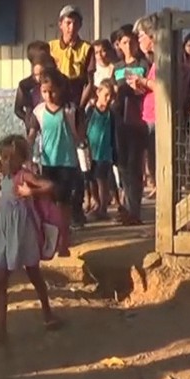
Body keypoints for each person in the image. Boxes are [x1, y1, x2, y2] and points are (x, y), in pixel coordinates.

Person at [0, 135, 61, 345]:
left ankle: (48, 313)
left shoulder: (23, 176)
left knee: (34, 274)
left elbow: (50, 186)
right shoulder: (4, 175)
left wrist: (30, 191)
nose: (6, 162)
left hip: (23, 234)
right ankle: (1, 328)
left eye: (11, 158)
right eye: (4, 157)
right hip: (4, 233)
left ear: (22, 159)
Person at [26, 73, 83, 253]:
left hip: (67, 164)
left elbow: (81, 136)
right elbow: (31, 136)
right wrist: (27, 157)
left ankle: (64, 242)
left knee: (64, 204)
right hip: (47, 164)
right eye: (44, 92)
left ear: (60, 90)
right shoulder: (39, 112)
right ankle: (50, 242)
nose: (49, 96)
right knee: (47, 204)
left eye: (52, 91)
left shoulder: (70, 110)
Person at [110, 27, 148, 225]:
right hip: (119, 120)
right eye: (124, 42)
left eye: (132, 41)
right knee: (122, 164)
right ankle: (127, 207)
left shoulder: (144, 64)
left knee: (135, 165)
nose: (129, 46)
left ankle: (135, 210)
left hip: (138, 120)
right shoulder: (116, 68)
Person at [85, 80, 117, 221]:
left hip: (104, 153)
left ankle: (103, 207)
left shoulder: (111, 113)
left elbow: (114, 132)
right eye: (106, 95)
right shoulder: (91, 110)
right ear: (98, 93)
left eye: (111, 96)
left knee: (102, 180)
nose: (108, 99)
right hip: (91, 151)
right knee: (91, 178)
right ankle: (95, 202)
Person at [49, 6, 93, 105]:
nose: (72, 27)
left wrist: (81, 106)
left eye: (75, 23)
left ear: (80, 25)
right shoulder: (51, 47)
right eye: (68, 23)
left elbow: (89, 82)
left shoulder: (87, 48)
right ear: (60, 25)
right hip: (56, 96)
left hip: (76, 94)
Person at [13, 42, 63, 124]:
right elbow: (18, 110)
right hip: (35, 131)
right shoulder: (25, 86)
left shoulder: (58, 80)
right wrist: (29, 121)